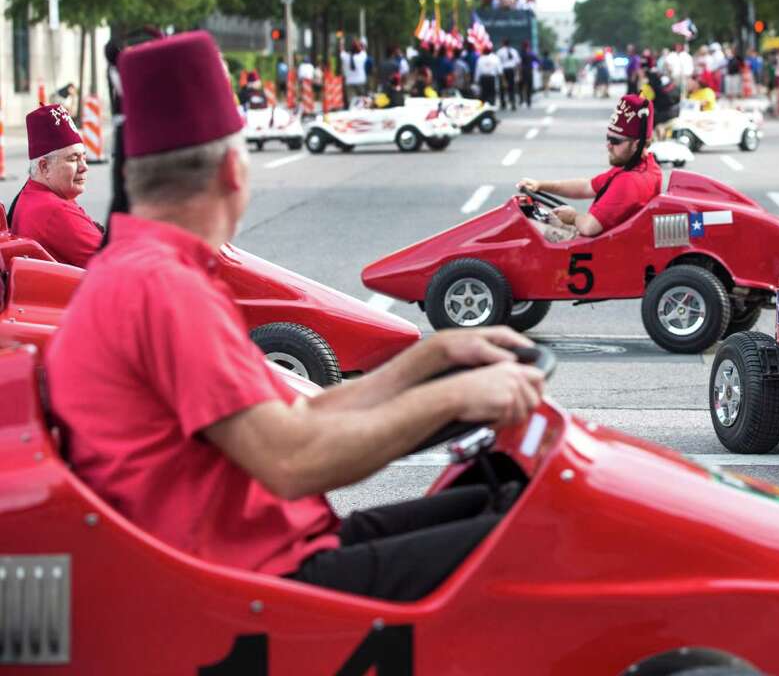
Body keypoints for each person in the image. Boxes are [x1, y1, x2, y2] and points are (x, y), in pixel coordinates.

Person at [43, 31, 545, 603]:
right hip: (251, 585)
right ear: (234, 171)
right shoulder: (162, 287)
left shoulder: (141, 270)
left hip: (256, 552)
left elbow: (298, 418)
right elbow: (292, 459)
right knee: (542, 539)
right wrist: (456, 399)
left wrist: (437, 356)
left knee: (505, 502)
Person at [516, 94, 661, 242]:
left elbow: (589, 227)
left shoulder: (629, 180)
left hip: (597, 248)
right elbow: (587, 186)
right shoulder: (644, 166)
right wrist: (540, 185)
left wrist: (573, 217)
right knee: (531, 216)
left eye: (615, 140)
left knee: (520, 227)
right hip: (608, 241)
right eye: (608, 138)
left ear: (637, 144)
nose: (608, 145)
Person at [7, 104, 103, 267]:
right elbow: (118, 266)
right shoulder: (55, 211)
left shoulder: (32, 194)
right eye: (73, 159)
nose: (84, 166)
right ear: (44, 167)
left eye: (84, 157)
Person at [339, 39, 369, 103]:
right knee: (362, 101)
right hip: (361, 81)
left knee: (352, 102)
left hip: (349, 82)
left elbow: (341, 51)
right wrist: (362, 43)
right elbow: (364, 49)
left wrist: (341, 43)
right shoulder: (362, 56)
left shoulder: (345, 57)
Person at [497, 38, 520, 110]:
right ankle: (512, 103)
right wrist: (517, 73)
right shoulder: (514, 51)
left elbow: (498, 63)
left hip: (503, 70)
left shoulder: (500, 51)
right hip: (511, 71)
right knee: (511, 88)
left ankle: (503, 103)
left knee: (502, 88)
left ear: (503, 43)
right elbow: (517, 63)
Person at [519, 41, 538, 107]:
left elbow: (519, 63)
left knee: (522, 86)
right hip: (529, 71)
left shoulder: (521, 53)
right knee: (529, 86)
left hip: (522, 72)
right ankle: (528, 101)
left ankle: (522, 100)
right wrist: (534, 67)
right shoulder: (531, 53)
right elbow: (537, 61)